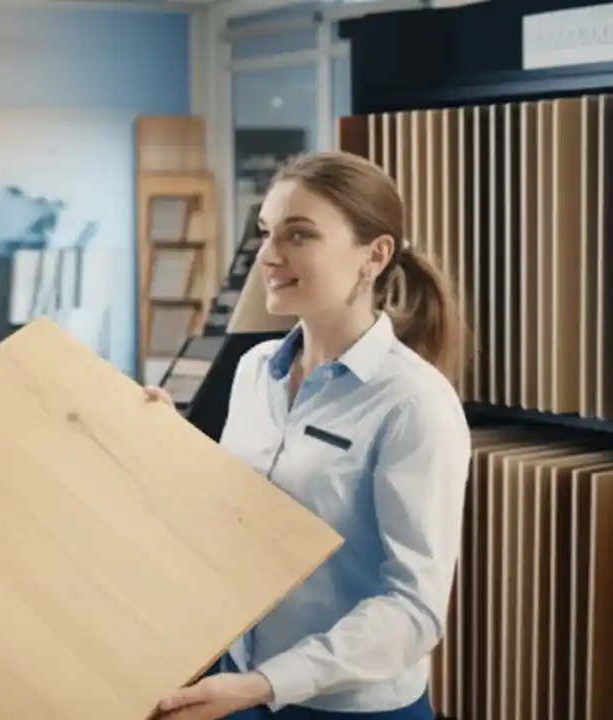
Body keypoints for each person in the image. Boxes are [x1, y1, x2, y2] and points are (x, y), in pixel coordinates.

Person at [156, 151, 472, 720]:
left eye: (298, 235)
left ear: (374, 256)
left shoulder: (414, 404)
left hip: (347, 706)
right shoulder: (255, 371)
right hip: (241, 685)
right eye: (266, 234)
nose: (269, 257)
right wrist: (148, 435)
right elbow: (233, 520)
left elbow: (414, 609)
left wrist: (266, 684)